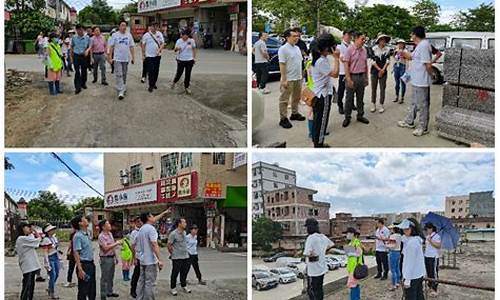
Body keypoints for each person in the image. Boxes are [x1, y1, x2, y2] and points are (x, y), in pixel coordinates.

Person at [397, 26, 433, 136]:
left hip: (422, 81)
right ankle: (409, 121)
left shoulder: (424, 45)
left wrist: (430, 77)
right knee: (413, 102)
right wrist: (402, 52)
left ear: (415, 34)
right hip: (416, 80)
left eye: (411, 34)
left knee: (423, 105)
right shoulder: (419, 46)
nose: (410, 36)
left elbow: (428, 64)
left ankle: (423, 127)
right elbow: (412, 57)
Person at [309, 34, 340, 148]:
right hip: (323, 95)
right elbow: (335, 74)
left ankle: (316, 140)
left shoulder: (317, 58)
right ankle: (319, 144)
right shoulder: (321, 61)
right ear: (326, 48)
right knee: (322, 121)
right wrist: (336, 58)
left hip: (317, 93)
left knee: (317, 120)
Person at [278, 28, 306, 129]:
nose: (296, 38)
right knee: (284, 99)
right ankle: (283, 118)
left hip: (298, 77)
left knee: (296, 98)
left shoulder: (297, 48)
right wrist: (284, 79)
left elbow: (299, 63)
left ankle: (294, 113)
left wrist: (301, 77)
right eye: (294, 36)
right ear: (287, 37)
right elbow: (282, 64)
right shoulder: (283, 49)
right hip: (288, 78)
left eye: (297, 36)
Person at [342, 31, 370, 127]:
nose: (364, 41)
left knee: (360, 97)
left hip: (361, 76)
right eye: (362, 39)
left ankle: (360, 115)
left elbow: (365, 65)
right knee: (349, 98)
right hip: (352, 76)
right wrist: (348, 78)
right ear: (356, 38)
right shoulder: (349, 50)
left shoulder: (364, 50)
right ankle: (347, 117)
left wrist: (366, 77)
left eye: (364, 39)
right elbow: (346, 64)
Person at [303, 218, 334, 300]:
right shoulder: (323, 237)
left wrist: (314, 254)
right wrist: (322, 251)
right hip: (322, 268)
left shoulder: (311, 238)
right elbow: (331, 244)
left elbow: (306, 253)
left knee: (312, 291)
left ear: (309, 227)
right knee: (319, 289)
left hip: (313, 270)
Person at [136, 212, 164, 300]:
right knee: (150, 283)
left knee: (142, 281)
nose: (154, 217)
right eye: (152, 216)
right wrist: (160, 259)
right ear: (148, 217)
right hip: (150, 261)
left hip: (143, 260)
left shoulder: (141, 229)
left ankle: (139, 298)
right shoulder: (151, 229)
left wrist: (165, 212)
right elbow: (154, 244)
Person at [398, 219, 426, 300]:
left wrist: (407, 279)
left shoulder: (412, 243)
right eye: (403, 229)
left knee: (411, 297)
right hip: (418, 274)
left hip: (412, 276)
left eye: (407, 229)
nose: (404, 231)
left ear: (413, 229)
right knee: (419, 295)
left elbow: (410, 262)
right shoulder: (416, 240)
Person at [108, 20, 135, 100]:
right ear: (119, 26)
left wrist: (133, 57)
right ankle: (121, 91)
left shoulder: (129, 35)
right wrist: (110, 57)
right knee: (119, 74)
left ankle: (122, 86)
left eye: (125, 25)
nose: (124, 27)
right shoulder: (115, 35)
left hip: (125, 58)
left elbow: (131, 46)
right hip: (117, 58)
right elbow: (111, 47)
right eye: (122, 25)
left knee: (124, 74)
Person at [72, 215, 96, 300]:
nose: (86, 220)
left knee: (92, 288)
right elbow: (76, 252)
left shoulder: (87, 233)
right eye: (84, 219)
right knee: (83, 289)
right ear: (80, 223)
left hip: (91, 264)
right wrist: (80, 269)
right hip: (84, 265)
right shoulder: (77, 236)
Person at [16, 221, 42, 300]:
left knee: (31, 286)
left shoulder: (27, 238)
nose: (29, 228)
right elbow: (38, 239)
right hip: (28, 266)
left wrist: (32, 231)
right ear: (22, 229)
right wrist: (35, 231)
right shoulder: (21, 239)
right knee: (27, 286)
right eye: (27, 227)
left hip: (31, 266)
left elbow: (34, 239)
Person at [97, 220, 121, 299]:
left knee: (111, 276)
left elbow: (112, 246)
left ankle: (109, 292)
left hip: (111, 257)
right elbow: (105, 248)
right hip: (105, 259)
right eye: (108, 224)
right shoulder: (101, 236)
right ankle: (103, 295)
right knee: (104, 277)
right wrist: (117, 243)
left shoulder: (110, 234)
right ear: (103, 227)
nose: (110, 225)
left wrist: (116, 256)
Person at [168, 218, 191, 295]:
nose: (186, 224)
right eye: (184, 222)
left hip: (185, 256)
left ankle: (183, 285)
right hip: (177, 257)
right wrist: (173, 253)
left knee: (184, 273)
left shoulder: (184, 232)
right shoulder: (173, 234)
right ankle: (173, 288)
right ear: (179, 224)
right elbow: (169, 245)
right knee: (175, 273)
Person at [370, 33, 391, 113]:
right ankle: (373, 104)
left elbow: (388, 61)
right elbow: (372, 61)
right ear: (378, 40)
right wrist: (379, 70)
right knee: (373, 88)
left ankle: (381, 104)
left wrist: (383, 70)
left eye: (384, 39)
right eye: (382, 39)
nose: (383, 41)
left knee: (382, 88)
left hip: (384, 71)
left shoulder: (388, 49)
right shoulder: (373, 49)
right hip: (374, 71)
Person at [171, 30, 197, 95]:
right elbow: (175, 50)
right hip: (181, 60)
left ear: (188, 35)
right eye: (183, 35)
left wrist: (194, 58)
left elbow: (194, 49)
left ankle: (187, 87)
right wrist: (177, 48)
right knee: (179, 73)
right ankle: (174, 82)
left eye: (186, 35)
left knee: (188, 74)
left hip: (189, 60)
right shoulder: (179, 41)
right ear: (181, 35)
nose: (184, 37)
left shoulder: (191, 41)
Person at [141, 22, 165, 92]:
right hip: (149, 56)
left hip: (157, 56)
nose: (155, 28)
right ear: (150, 27)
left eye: (156, 26)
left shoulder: (159, 34)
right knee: (151, 71)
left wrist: (159, 50)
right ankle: (151, 85)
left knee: (156, 71)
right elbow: (143, 45)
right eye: (153, 26)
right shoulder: (146, 35)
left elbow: (163, 43)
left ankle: (154, 83)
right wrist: (143, 55)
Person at [41, 224, 61, 299]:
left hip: (55, 256)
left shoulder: (54, 238)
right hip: (50, 258)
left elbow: (56, 248)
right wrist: (47, 262)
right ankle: (52, 292)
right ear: (48, 231)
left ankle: (50, 287)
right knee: (53, 275)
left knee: (57, 274)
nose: (53, 230)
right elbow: (45, 252)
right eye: (51, 229)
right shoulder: (46, 240)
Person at [337, 30, 355, 114]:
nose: (349, 37)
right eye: (348, 35)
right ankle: (340, 105)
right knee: (341, 89)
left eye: (351, 35)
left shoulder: (352, 45)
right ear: (343, 35)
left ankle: (351, 103)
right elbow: (342, 58)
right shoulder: (339, 46)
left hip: (351, 71)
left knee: (351, 88)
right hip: (342, 71)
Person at [71, 24, 91, 94]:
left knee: (84, 71)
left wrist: (87, 50)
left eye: (81, 30)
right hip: (76, 56)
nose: (80, 31)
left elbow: (90, 46)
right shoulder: (74, 38)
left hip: (84, 56)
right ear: (76, 30)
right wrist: (71, 57)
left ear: (83, 30)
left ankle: (83, 83)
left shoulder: (87, 38)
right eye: (78, 30)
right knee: (77, 71)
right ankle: (77, 87)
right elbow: (72, 47)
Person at [345, 227, 363, 300]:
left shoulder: (356, 242)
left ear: (352, 234)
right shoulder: (350, 243)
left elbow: (360, 253)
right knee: (355, 284)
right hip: (351, 266)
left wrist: (352, 253)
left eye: (348, 233)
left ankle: (354, 298)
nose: (347, 235)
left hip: (355, 267)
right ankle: (357, 298)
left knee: (352, 285)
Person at [424, 222, 441, 297]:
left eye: (427, 229)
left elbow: (438, 246)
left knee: (434, 273)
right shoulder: (428, 236)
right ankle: (430, 286)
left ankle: (434, 289)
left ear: (431, 229)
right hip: (427, 256)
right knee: (428, 272)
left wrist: (431, 240)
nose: (426, 231)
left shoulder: (436, 236)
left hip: (433, 257)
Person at [386, 224, 402, 291]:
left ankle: (394, 285)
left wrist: (386, 244)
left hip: (393, 252)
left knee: (393, 269)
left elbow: (391, 246)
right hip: (398, 252)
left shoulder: (393, 236)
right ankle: (398, 282)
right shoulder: (400, 235)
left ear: (393, 229)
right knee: (397, 268)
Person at [130, 216, 143, 298]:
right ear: (135, 223)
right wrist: (134, 258)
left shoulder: (144, 230)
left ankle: (142, 290)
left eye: (141, 221)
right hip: (138, 256)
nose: (140, 223)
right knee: (136, 274)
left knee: (143, 275)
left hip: (145, 257)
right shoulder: (134, 233)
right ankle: (133, 290)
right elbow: (132, 247)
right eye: (138, 221)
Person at [393, 39, 408, 104]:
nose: (400, 45)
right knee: (397, 83)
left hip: (402, 66)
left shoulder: (405, 51)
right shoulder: (396, 50)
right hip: (396, 66)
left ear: (404, 44)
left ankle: (402, 97)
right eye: (399, 43)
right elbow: (394, 57)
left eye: (401, 43)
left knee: (403, 82)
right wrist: (395, 53)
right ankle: (397, 96)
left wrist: (402, 54)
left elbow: (407, 58)